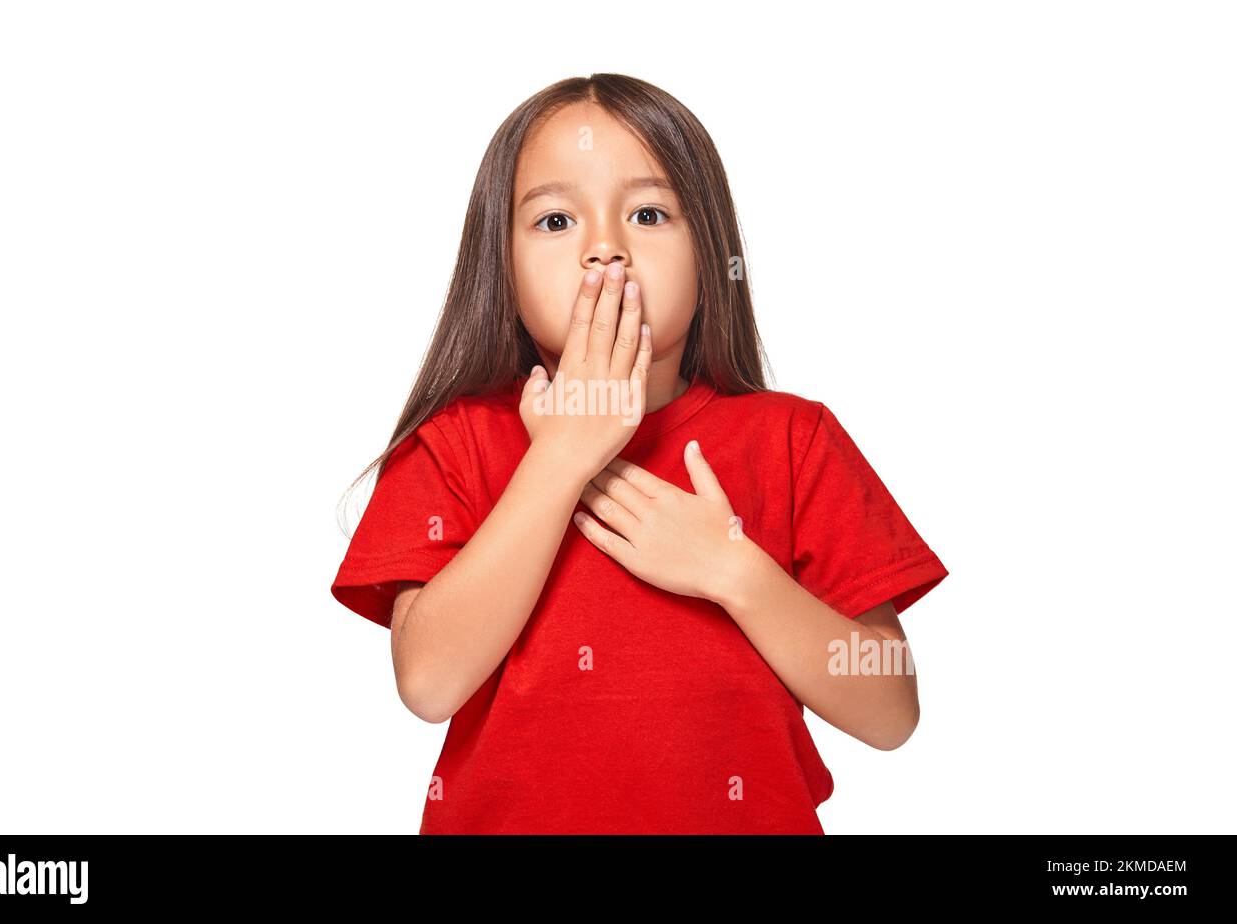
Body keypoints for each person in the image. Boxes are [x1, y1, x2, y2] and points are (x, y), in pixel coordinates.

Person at [330, 73, 949, 834]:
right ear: (502, 264)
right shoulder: (455, 442)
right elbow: (428, 683)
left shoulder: (794, 440)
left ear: (711, 250)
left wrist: (733, 571)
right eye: (556, 221)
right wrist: (560, 458)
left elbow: (890, 712)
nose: (604, 250)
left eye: (648, 214)